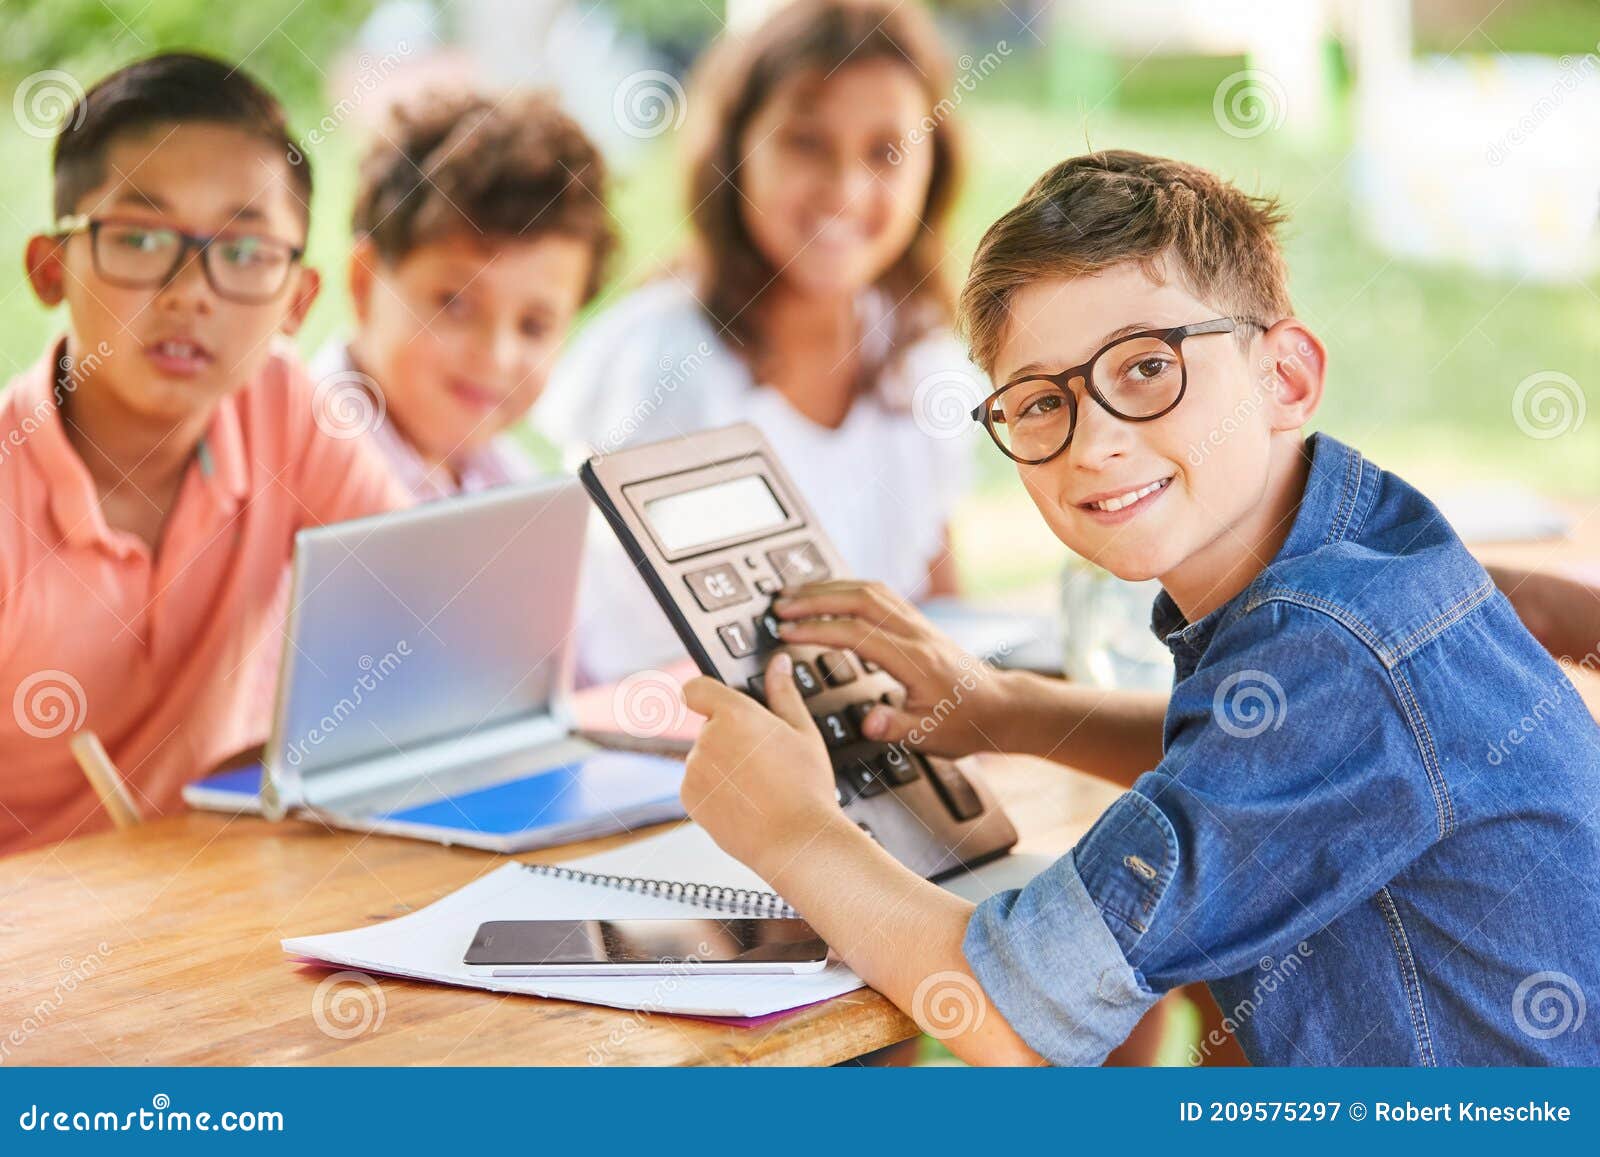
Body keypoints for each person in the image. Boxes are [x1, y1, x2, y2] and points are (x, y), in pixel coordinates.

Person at [675, 151, 1600, 1065]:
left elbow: (1017, 1012)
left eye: (1148, 366)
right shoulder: (1358, 554)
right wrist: (1008, 709)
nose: (1096, 443)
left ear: (1285, 377)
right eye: (1040, 401)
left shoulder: (1334, 652)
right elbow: (1250, 767)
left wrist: (792, 828)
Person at [0, 53, 408, 856]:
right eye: (140, 237)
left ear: (298, 300)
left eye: (246, 251)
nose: (190, 290)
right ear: (50, 269)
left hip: (225, 887)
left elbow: (427, 618)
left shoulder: (285, 412)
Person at [540, 0, 979, 684]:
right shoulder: (659, 361)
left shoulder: (919, 362)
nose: (845, 189)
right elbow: (670, 655)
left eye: (885, 152)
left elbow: (939, 610)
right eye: (806, 143)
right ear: (734, 152)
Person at [316, 88, 614, 499]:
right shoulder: (300, 461)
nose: (496, 356)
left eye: (534, 326)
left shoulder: (508, 478)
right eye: (455, 304)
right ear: (363, 282)